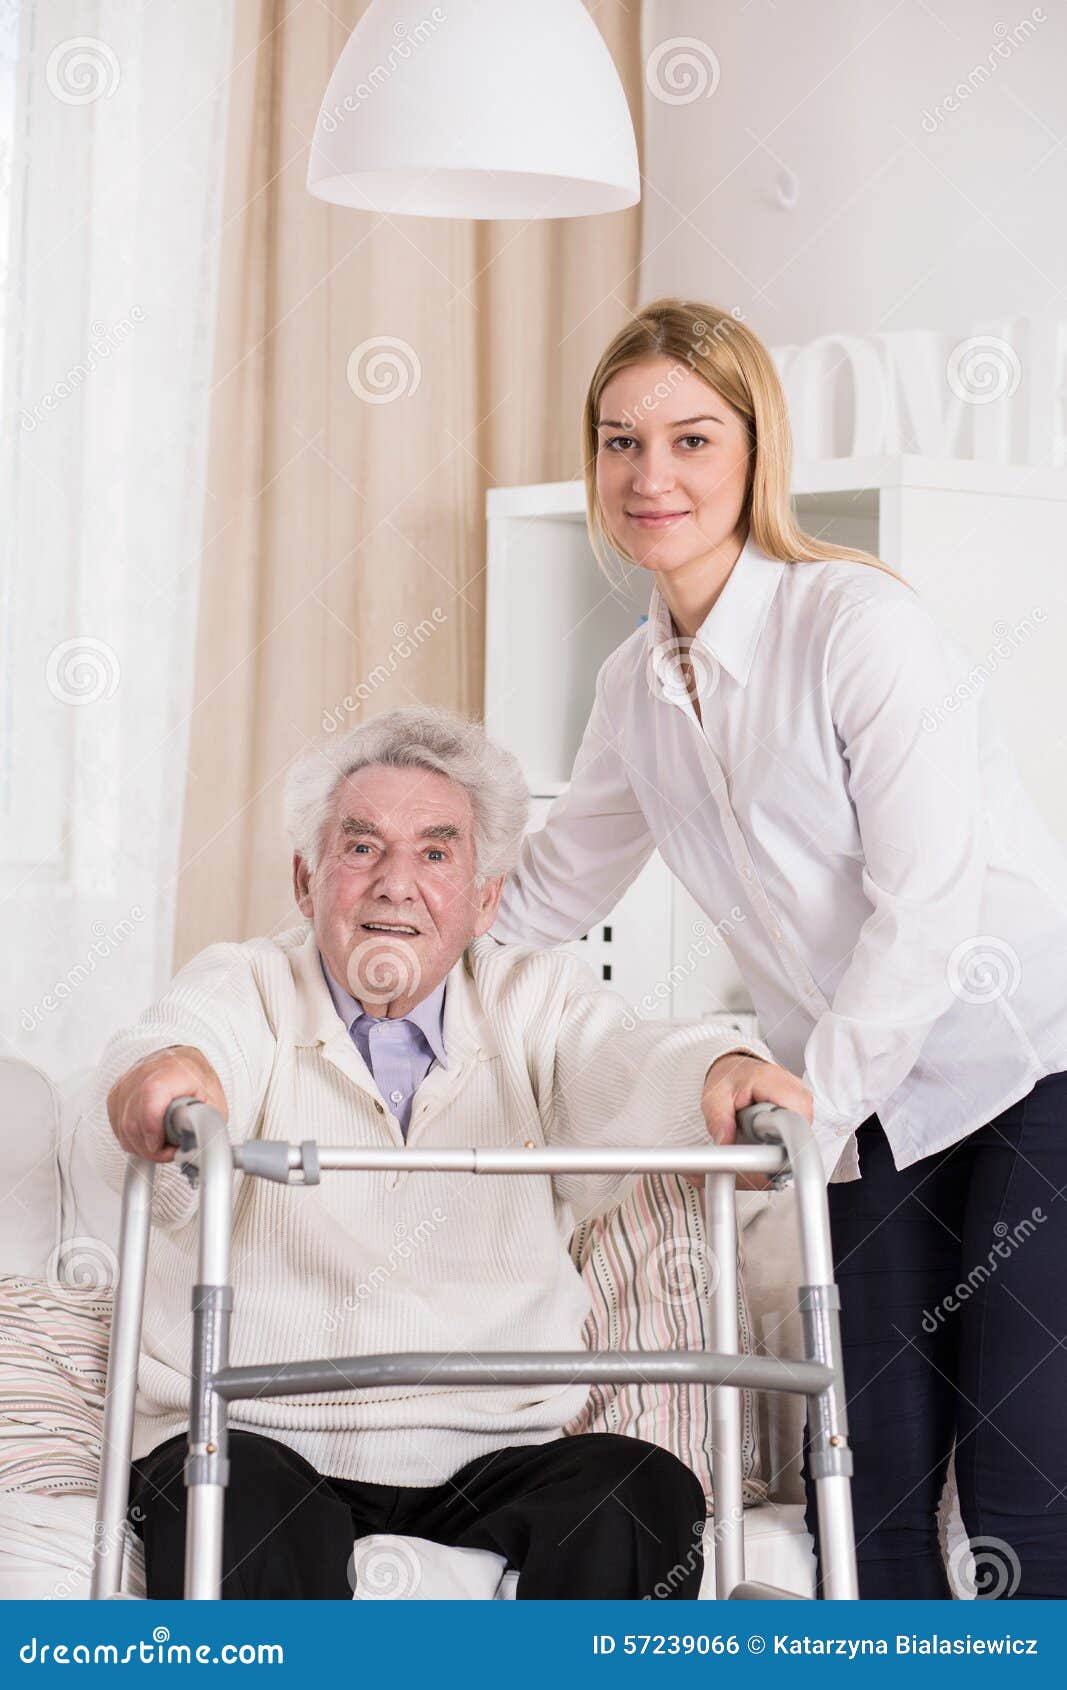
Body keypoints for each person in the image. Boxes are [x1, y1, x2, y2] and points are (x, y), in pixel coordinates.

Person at [490, 297, 1067, 1600]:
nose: (650, 475)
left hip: (1025, 1064)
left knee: (1019, 1476)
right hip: (863, 1102)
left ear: (755, 453)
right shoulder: (634, 688)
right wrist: (374, 943)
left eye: (691, 439)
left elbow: (926, 907)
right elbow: (551, 887)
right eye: (619, 441)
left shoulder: (852, 625)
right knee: (860, 1481)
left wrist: (813, 1114)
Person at [92, 705, 802, 1600]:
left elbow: (623, 1061)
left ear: (484, 899)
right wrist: (169, 1077)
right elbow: (180, 1047)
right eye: (361, 848)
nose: (396, 884)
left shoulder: (531, 996)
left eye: (435, 854)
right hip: (263, 1434)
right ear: (307, 881)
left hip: (491, 1447)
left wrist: (718, 1070)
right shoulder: (248, 984)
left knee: (640, 1486)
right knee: (228, 1491)